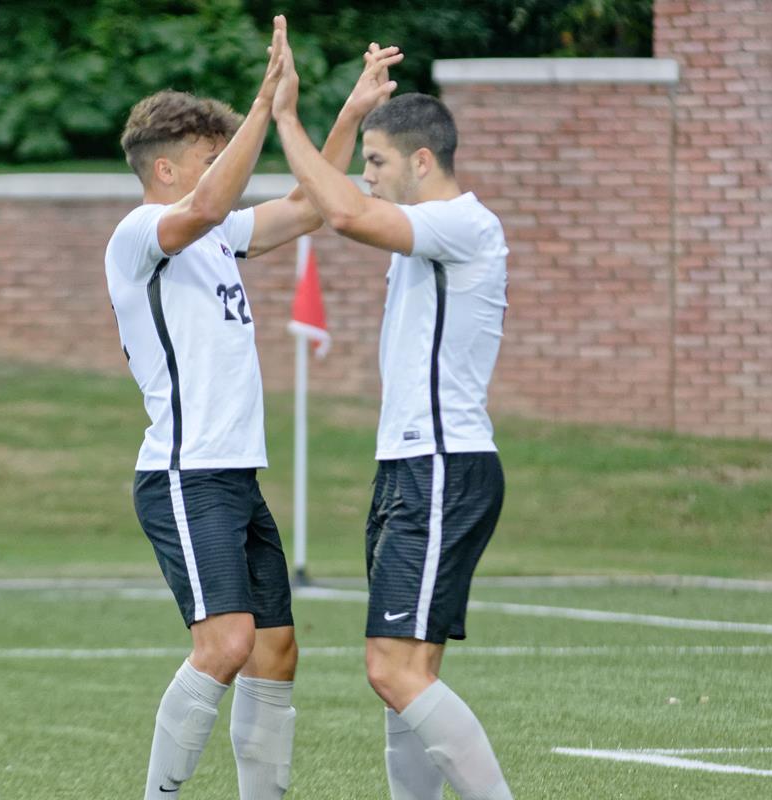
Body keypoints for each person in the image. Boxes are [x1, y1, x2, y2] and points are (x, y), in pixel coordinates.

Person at [102, 17, 401, 798]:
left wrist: (346, 114)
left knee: (275, 653)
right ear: (164, 168)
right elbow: (202, 208)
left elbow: (307, 207)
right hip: (184, 474)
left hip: (235, 475)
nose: (223, 175)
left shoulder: (217, 235)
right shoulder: (141, 232)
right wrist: (264, 105)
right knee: (227, 643)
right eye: (208, 159)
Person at [270, 45, 515, 800]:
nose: (365, 175)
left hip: (442, 465)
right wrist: (347, 114)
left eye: (375, 161)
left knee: (391, 670)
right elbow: (326, 202)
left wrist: (283, 114)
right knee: (408, 675)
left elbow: (339, 211)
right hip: (412, 469)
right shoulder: (426, 224)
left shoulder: (460, 223)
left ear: (420, 160)